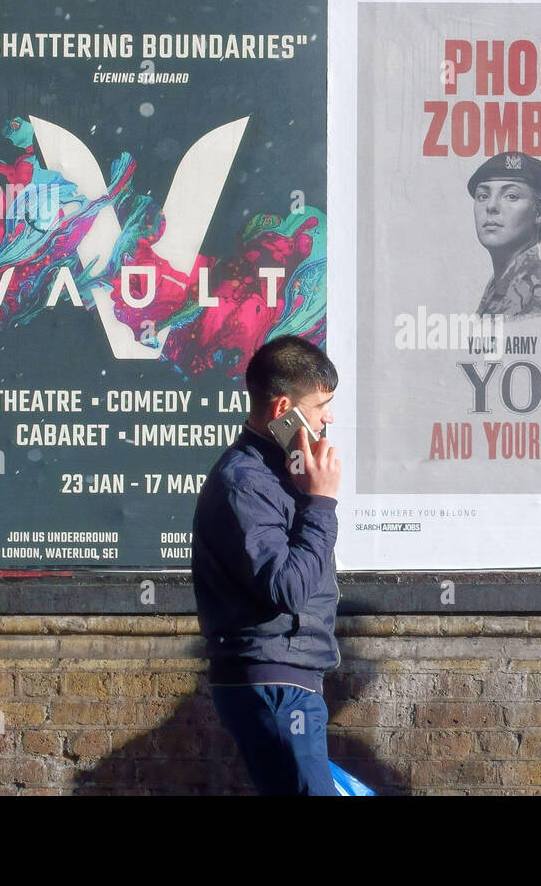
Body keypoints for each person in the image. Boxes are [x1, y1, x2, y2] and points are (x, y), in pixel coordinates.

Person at [192, 335, 343, 796]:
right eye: (321, 406)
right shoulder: (244, 482)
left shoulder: (278, 473)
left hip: (288, 674)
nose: (328, 418)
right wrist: (321, 503)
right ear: (283, 408)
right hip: (274, 678)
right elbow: (287, 587)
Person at [469, 151, 541, 319]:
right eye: (483, 196)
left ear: (540, 212)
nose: (491, 206)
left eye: (511, 196)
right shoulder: (496, 287)